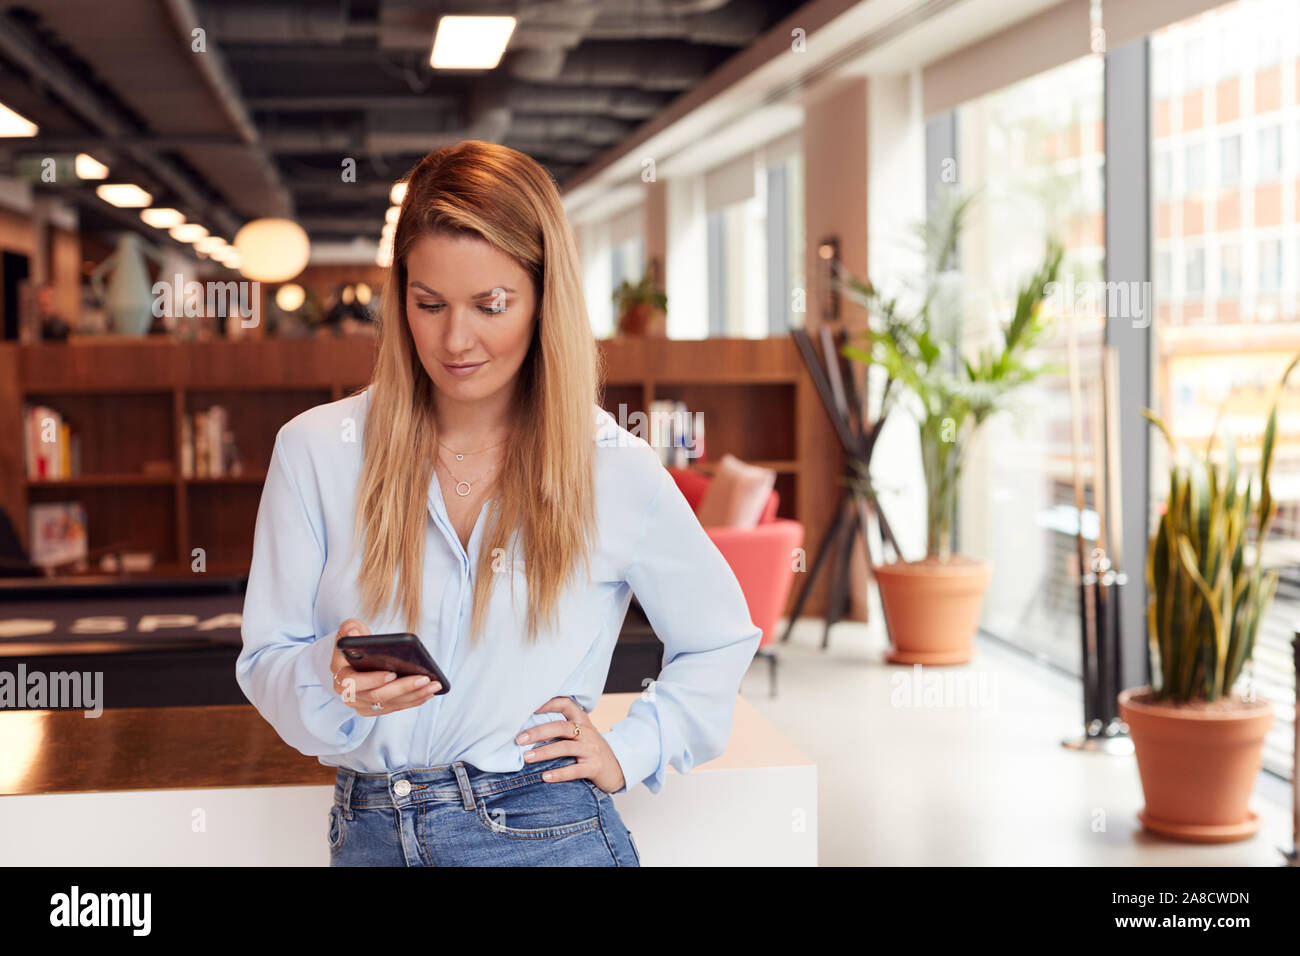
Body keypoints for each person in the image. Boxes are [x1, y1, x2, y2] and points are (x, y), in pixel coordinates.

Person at [236, 140, 762, 867]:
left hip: (549, 831)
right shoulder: (316, 451)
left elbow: (719, 637)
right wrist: (331, 678)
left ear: (545, 298)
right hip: (370, 833)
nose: (456, 340)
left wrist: (634, 749)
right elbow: (265, 657)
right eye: (429, 304)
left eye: (491, 304)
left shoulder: (611, 466)